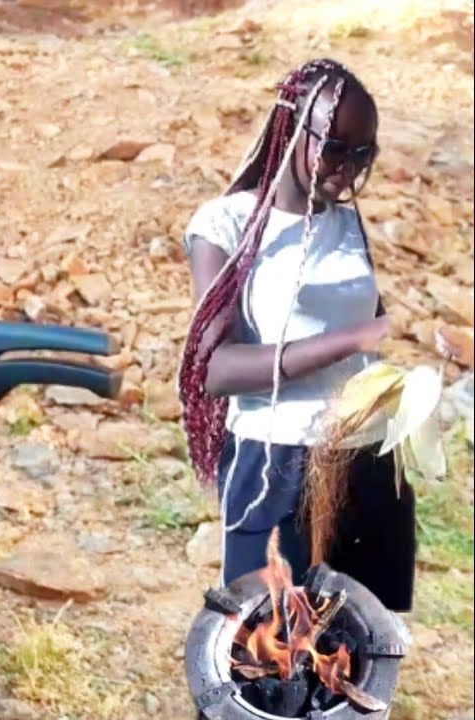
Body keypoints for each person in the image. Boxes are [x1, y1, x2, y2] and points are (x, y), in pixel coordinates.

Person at [176, 58, 418, 612]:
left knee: (361, 640)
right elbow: (215, 369)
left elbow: (370, 338)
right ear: (292, 128)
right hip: (277, 463)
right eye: (335, 147)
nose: (348, 169)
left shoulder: (348, 223)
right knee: (265, 645)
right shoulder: (225, 226)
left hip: (368, 455)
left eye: (364, 155)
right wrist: (352, 340)